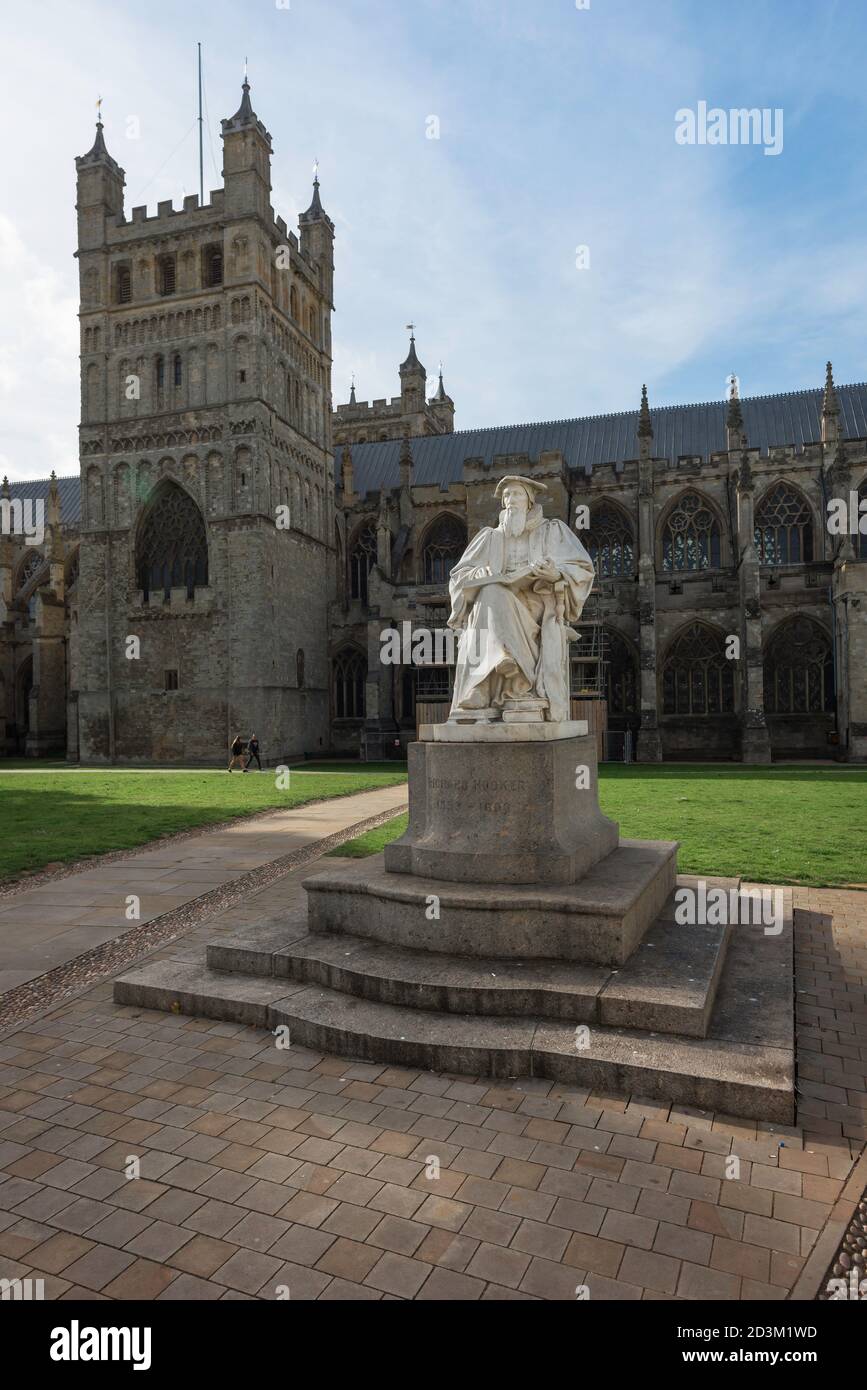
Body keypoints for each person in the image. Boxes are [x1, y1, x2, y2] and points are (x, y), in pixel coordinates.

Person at [447, 476, 595, 724]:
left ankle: (486, 685)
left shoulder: (552, 530)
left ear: (529, 501)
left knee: (493, 595)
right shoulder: (489, 537)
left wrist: (557, 573)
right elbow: (458, 576)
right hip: (493, 605)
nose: (510, 500)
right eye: (506, 496)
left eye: (516, 494)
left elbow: (582, 568)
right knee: (493, 591)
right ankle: (503, 669)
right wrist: (480, 574)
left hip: (537, 604)